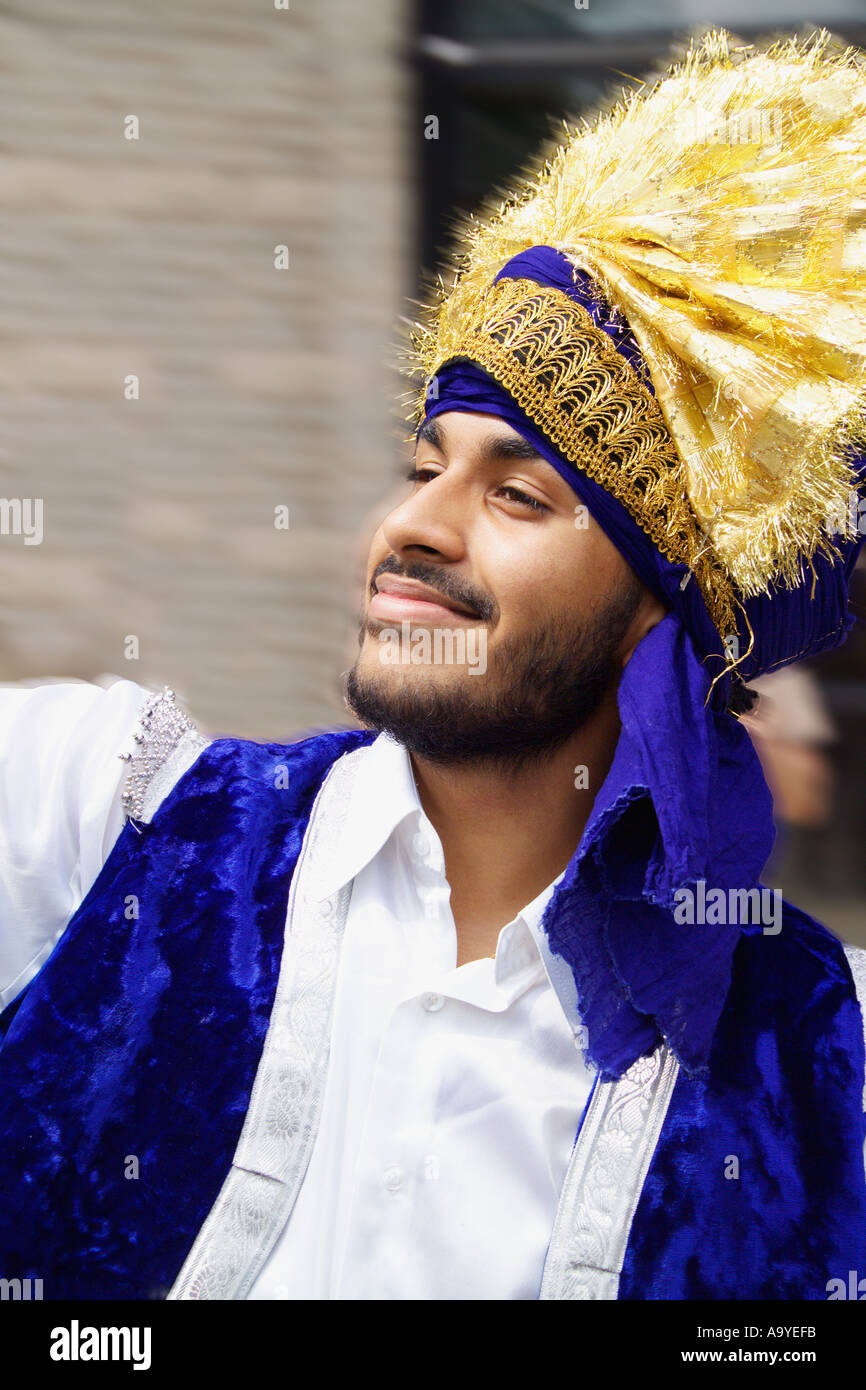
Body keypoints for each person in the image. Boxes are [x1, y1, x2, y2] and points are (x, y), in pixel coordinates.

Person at [1, 27, 865, 1302]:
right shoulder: (106, 822)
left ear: (654, 616)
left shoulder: (816, 1057)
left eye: (517, 494)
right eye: (422, 464)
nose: (410, 525)